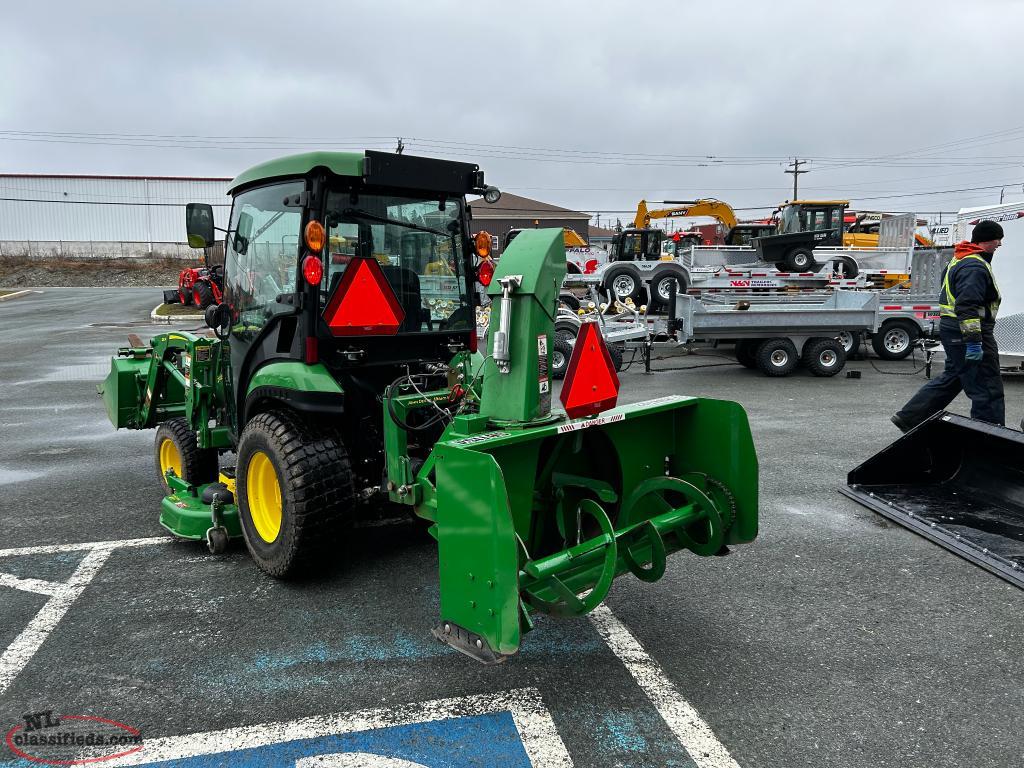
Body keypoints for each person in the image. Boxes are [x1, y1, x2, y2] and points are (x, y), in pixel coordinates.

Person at [892, 220, 1005, 431]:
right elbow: (967, 306)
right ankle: (991, 436)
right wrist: (974, 342)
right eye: (997, 239)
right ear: (987, 240)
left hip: (952, 329)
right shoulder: (974, 266)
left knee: (953, 377)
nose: (999, 244)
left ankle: (911, 417)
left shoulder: (959, 260)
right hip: (969, 331)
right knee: (986, 386)